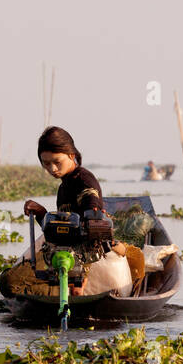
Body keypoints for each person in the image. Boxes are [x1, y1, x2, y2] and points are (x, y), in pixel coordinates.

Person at [22, 126, 133, 297]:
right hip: (68, 254)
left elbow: (91, 201)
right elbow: (59, 232)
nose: (52, 169)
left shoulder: (83, 180)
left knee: (17, 284)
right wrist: (41, 212)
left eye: (57, 162)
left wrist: (92, 214)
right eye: (46, 163)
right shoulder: (64, 187)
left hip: (86, 256)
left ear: (71, 155)